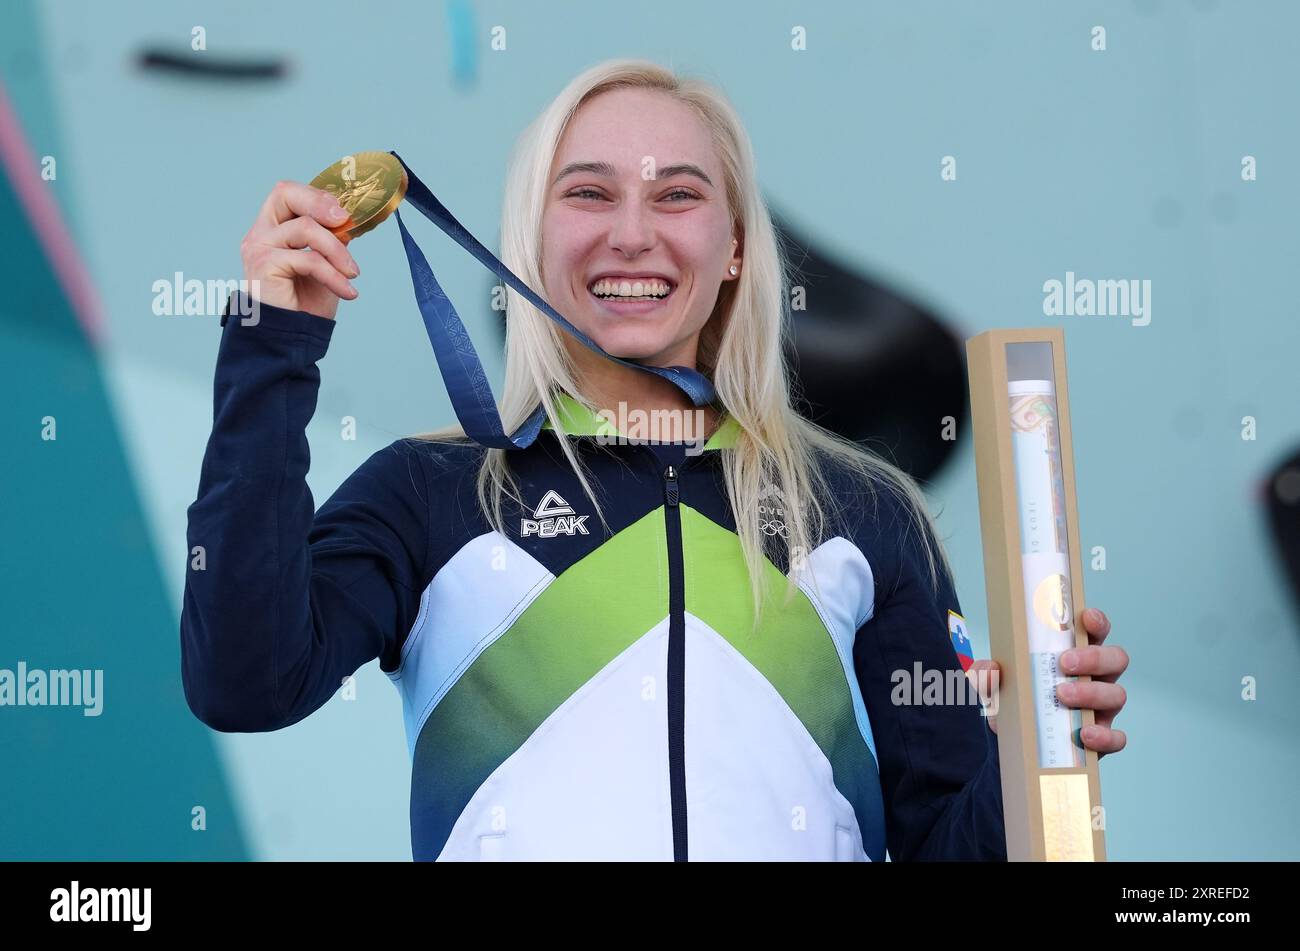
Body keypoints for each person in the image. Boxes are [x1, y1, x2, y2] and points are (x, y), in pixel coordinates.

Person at [181, 59, 1129, 861]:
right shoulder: (431, 492)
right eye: (589, 192)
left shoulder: (860, 510)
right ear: (532, 241)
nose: (632, 232)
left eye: (678, 194)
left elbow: (947, 848)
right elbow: (245, 682)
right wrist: (274, 341)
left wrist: (1036, 746)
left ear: (733, 251)